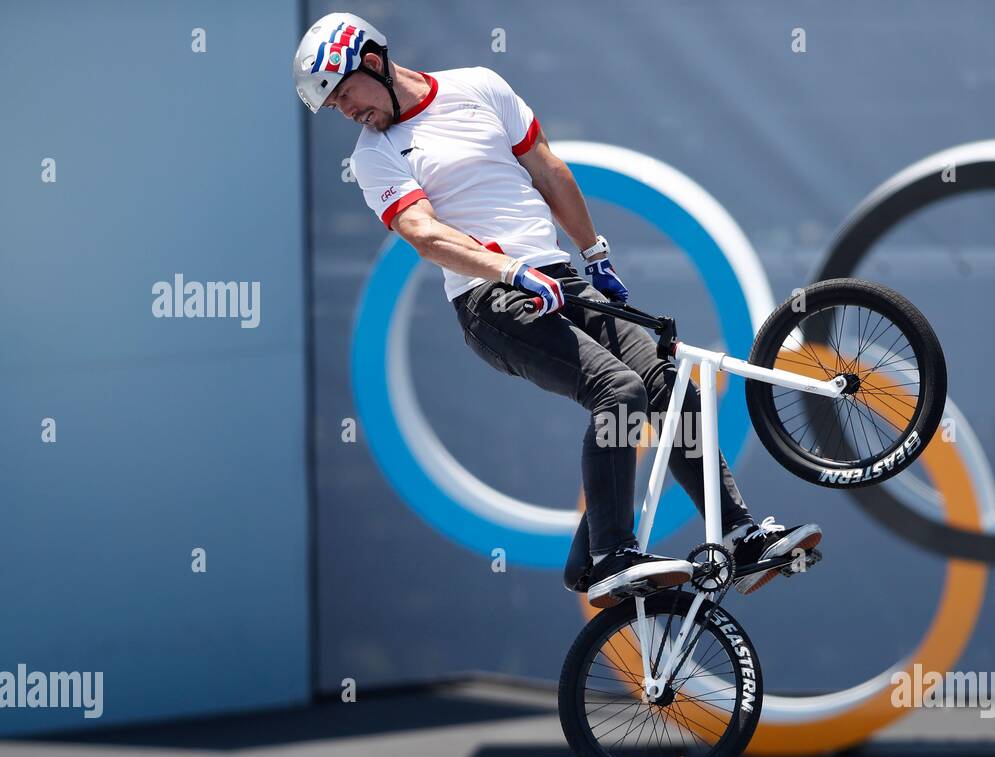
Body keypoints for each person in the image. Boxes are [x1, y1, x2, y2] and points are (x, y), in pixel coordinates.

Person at [293, 12, 822, 607]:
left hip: (560, 279)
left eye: (344, 95)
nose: (345, 112)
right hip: (487, 299)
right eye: (334, 106)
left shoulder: (477, 86)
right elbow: (423, 234)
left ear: (371, 61)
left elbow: (546, 166)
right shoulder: (376, 155)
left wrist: (593, 253)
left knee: (670, 385)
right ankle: (610, 555)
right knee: (617, 391)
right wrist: (507, 269)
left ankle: (734, 534)